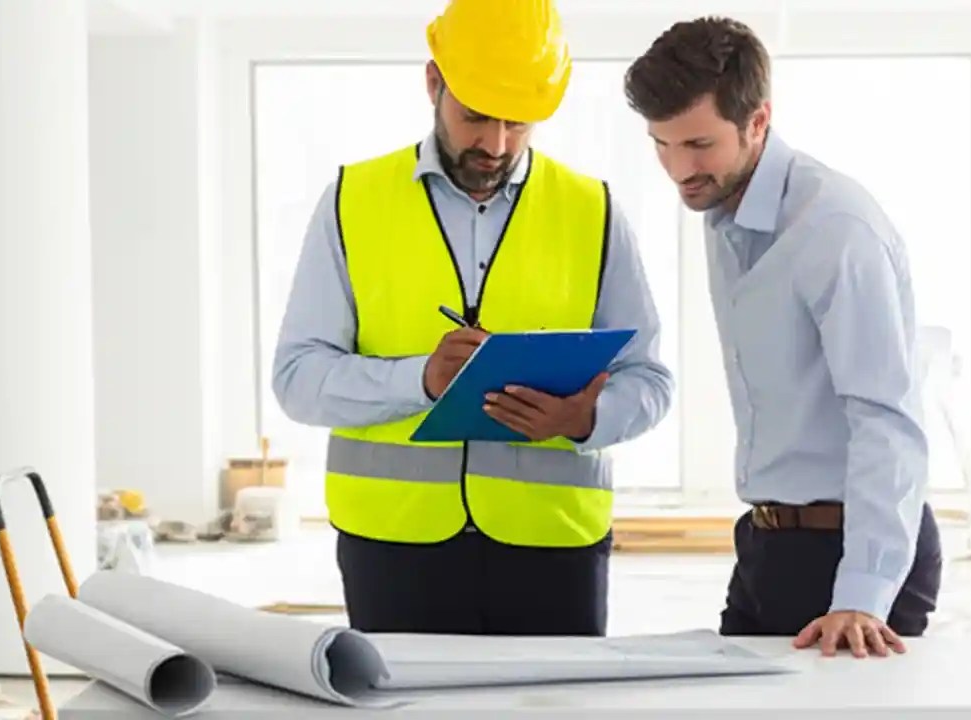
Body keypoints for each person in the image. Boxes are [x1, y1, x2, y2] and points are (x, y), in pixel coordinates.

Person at [272, 0, 673, 637]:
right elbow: (297, 378)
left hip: (553, 546)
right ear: (434, 83)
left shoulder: (592, 210)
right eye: (475, 116)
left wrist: (586, 418)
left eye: (518, 123)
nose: (495, 144)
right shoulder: (352, 201)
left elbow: (650, 379)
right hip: (392, 546)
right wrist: (421, 381)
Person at [624, 17, 941, 658]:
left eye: (699, 144)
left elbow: (887, 418)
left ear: (758, 122)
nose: (678, 169)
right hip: (771, 541)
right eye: (662, 144)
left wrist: (861, 593)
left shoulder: (835, 229)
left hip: (851, 555)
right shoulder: (723, 208)